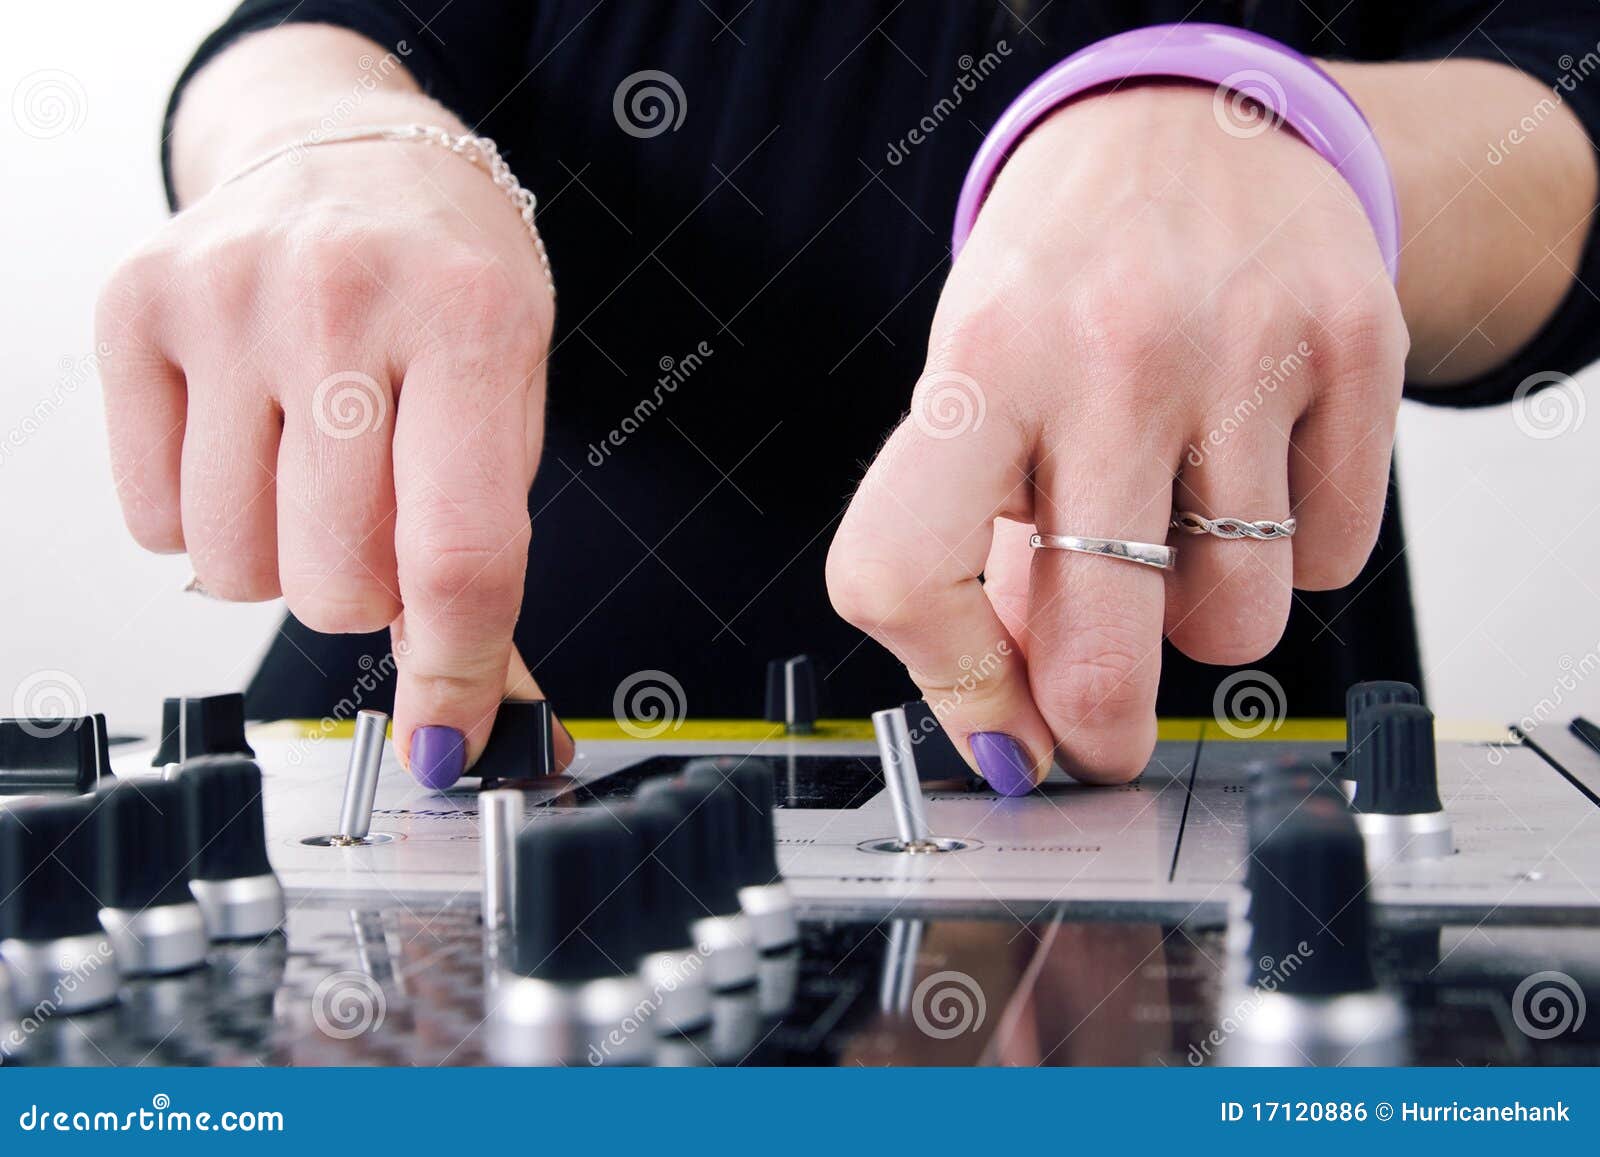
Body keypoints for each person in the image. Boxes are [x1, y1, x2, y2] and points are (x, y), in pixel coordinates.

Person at [97, 1, 1599, 792]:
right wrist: (335, 148)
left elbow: (1564, 101)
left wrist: (1289, 136)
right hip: (458, 776)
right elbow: (306, 36)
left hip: (1203, 787)